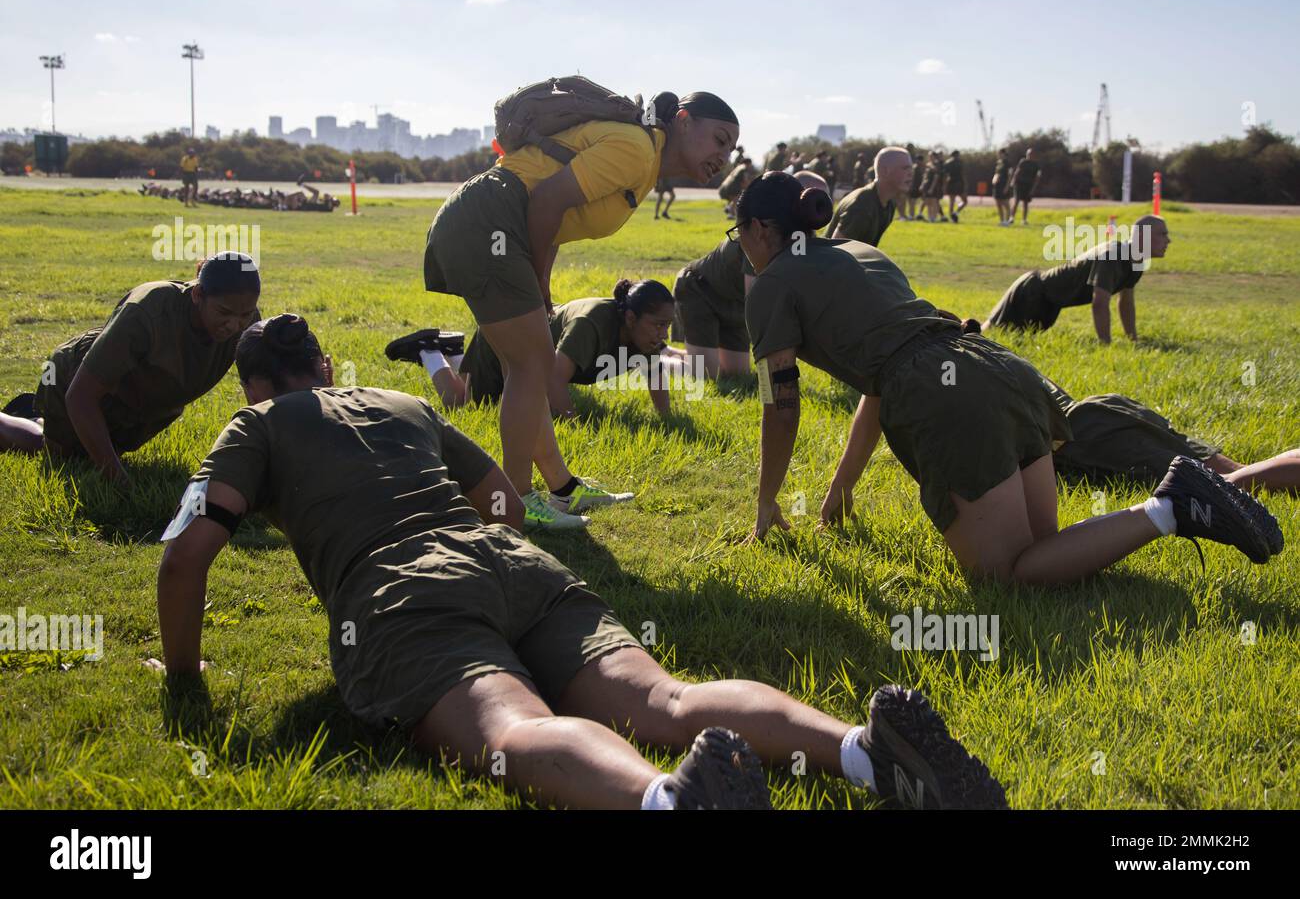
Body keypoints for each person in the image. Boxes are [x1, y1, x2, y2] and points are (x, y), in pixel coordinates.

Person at [150, 312, 1009, 810]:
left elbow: (187, 557)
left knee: (509, 729)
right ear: (327, 366)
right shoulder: (401, 401)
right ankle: (866, 749)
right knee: (667, 697)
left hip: (405, 596)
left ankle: (666, 803)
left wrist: (183, 675)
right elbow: (504, 500)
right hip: (510, 563)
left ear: (253, 386)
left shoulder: (255, 427)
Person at [736, 172, 1281, 586]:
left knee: (1008, 576)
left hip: (943, 397)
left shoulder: (769, 285)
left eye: (740, 233)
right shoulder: (861, 250)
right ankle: (1171, 504)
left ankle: (1170, 506)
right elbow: (878, 383)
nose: (741, 245)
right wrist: (841, 488)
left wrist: (766, 503)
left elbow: (781, 403)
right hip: (997, 366)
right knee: (1047, 553)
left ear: (760, 228)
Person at [421, 90, 739, 528]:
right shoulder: (636, 149)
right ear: (682, 121)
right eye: (720, 140)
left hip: (491, 219)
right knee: (531, 365)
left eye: (732, 148)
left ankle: (562, 490)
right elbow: (546, 201)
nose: (724, 156)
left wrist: (541, 285)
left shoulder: (644, 162)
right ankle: (516, 501)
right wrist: (533, 280)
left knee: (526, 365)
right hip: (490, 218)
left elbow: (554, 219)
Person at [0, 252, 261, 484]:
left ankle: (31, 414)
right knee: (58, 453)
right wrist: (117, 479)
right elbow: (80, 396)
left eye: (244, 315)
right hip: (75, 378)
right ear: (197, 295)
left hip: (139, 400)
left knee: (97, 451)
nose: (234, 325)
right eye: (224, 312)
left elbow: (261, 396)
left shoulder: (247, 322)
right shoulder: (148, 309)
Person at [390, 279, 681, 429]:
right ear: (630, 318)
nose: (663, 334)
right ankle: (428, 349)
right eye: (658, 325)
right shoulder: (592, 324)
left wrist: (666, 418)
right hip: (505, 342)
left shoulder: (646, 339)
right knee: (461, 402)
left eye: (667, 326)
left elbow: (655, 374)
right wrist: (573, 424)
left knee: (496, 391)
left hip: (530, 356)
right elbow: (554, 380)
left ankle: (453, 351)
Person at [673, 172, 830, 379]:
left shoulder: (799, 238)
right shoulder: (763, 236)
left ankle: (687, 354)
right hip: (701, 290)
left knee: (736, 374)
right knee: (704, 373)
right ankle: (655, 356)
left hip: (734, 303)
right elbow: (756, 298)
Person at [1042, 375, 1300, 494]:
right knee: (1243, 471)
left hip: (1087, 430)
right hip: (1107, 408)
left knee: (1220, 485)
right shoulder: (1008, 365)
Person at [983, 215, 1168, 341]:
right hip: (1031, 294)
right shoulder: (1113, 255)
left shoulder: (1136, 261)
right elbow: (1099, 304)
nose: (1168, 240)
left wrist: (1132, 339)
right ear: (1143, 236)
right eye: (1163, 234)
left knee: (1007, 342)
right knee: (985, 336)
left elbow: (1126, 302)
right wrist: (1106, 345)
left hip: (1050, 304)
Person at [825, 146, 912, 247]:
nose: (911, 173)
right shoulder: (862, 204)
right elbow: (837, 250)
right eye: (905, 168)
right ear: (885, 170)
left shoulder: (889, 203)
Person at [1008, 148, 1041, 225]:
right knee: (1016, 201)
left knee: (1025, 203)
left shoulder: (1036, 165)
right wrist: (1013, 181)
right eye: (1028, 154)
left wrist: (1033, 188)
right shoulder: (1023, 162)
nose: (1030, 156)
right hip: (1019, 184)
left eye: (1031, 154)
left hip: (1028, 185)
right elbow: (1017, 171)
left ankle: (1024, 220)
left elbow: (1037, 177)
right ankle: (1011, 218)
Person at [943, 150, 967, 222]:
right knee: (964, 201)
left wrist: (944, 185)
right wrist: (965, 184)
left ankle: (952, 215)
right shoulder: (960, 162)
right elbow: (962, 174)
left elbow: (945, 175)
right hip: (959, 183)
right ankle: (956, 212)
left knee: (952, 201)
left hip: (951, 183)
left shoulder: (947, 163)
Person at [991, 148, 1013, 226]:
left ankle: (1007, 221)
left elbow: (1010, 175)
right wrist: (994, 179)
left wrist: (1007, 187)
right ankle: (1002, 221)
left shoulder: (1008, 163)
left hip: (1004, 185)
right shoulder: (998, 163)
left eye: (1000, 153)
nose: (998, 155)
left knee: (1006, 204)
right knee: (998, 203)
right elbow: (996, 173)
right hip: (997, 185)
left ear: (1004, 154)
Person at [904, 151, 925, 221]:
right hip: (913, 187)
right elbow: (911, 178)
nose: (920, 162)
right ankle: (911, 216)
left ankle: (917, 214)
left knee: (923, 201)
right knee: (911, 202)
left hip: (919, 188)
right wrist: (909, 186)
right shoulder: (914, 168)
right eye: (919, 160)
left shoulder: (922, 168)